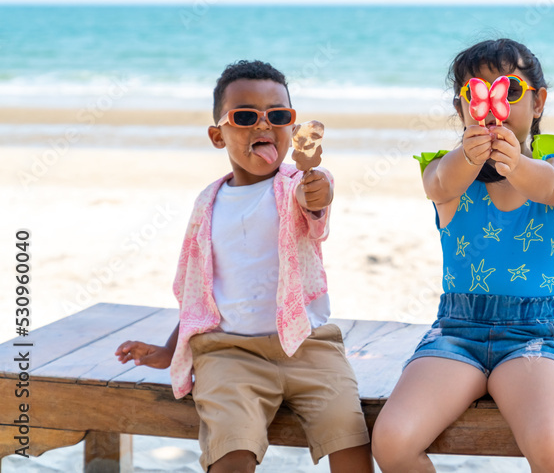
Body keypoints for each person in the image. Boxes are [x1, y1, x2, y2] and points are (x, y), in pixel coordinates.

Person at [115, 60, 373, 473]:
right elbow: (202, 293)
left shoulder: (296, 186)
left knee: (348, 435)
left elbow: (317, 202)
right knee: (231, 449)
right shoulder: (208, 204)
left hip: (309, 347)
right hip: (230, 353)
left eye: (278, 116)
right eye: (246, 117)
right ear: (218, 135)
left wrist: (318, 190)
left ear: (292, 127)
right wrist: (169, 349)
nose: (263, 125)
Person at [372, 39, 554, 473]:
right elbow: (439, 186)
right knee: (392, 441)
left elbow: (552, 188)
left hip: (536, 333)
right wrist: (471, 156)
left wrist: (514, 162)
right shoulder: (445, 171)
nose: (494, 105)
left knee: (548, 445)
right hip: (457, 331)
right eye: (477, 93)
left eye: (510, 91)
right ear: (462, 109)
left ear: (539, 101)